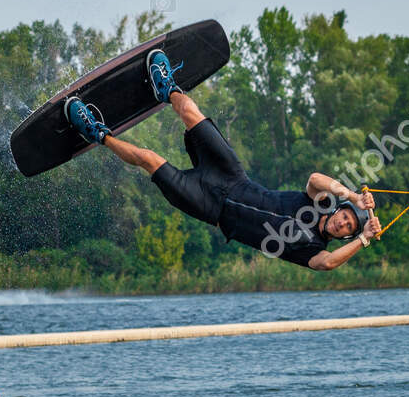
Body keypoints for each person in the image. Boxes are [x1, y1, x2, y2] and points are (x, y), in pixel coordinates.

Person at [63, 49, 382, 270]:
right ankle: (167, 89)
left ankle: (97, 133)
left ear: (345, 236)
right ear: (339, 211)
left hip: (208, 206)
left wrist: (365, 239)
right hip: (232, 176)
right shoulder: (321, 204)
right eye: (346, 218)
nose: (342, 224)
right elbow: (314, 180)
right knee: (190, 112)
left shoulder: (313, 250)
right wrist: (351, 195)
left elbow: (327, 264)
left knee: (148, 158)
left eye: (347, 229)